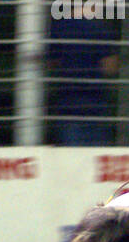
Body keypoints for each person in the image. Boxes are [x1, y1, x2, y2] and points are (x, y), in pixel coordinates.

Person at [48, 14, 117, 146]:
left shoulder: (60, 27)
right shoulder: (100, 27)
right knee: (96, 153)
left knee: (71, 155)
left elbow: (52, 63)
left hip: (67, 102)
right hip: (95, 102)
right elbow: (110, 67)